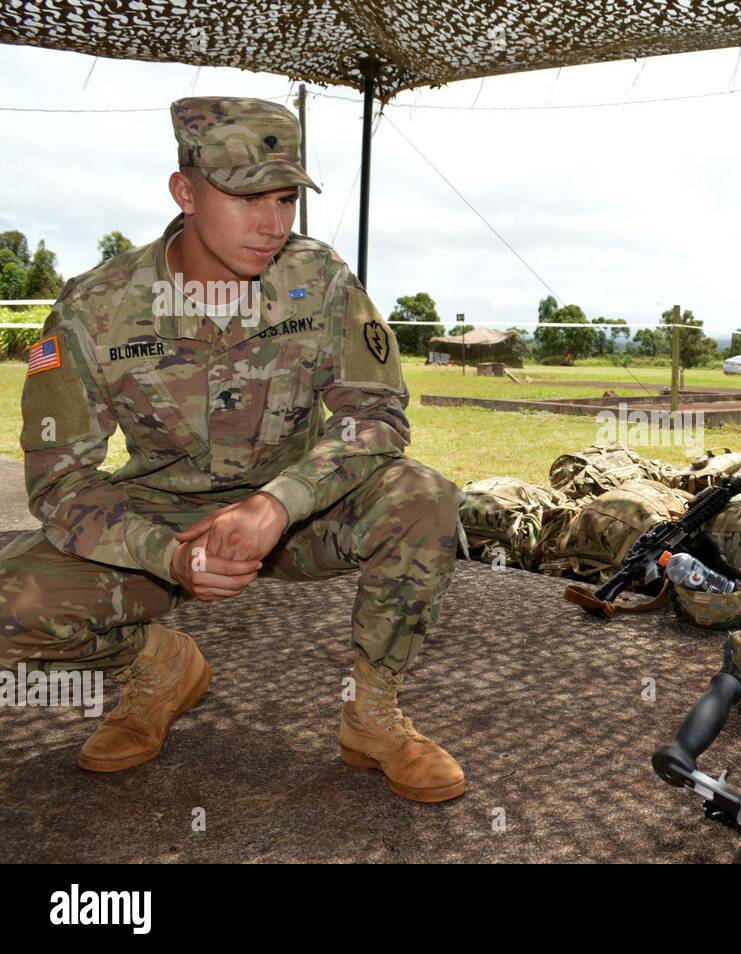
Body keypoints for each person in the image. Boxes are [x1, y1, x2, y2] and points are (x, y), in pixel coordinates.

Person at [0, 97, 466, 804]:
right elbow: (60, 483)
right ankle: (156, 666)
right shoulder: (93, 310)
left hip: (304, 514)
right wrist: (170, 556)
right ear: (184, 192)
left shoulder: (322, 279)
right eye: (247, 197)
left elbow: (374, 417)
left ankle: (372, 717)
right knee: (11, 603)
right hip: (162, 519)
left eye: (284, 198)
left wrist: (278, 505)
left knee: (425, 498)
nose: (272, 224)